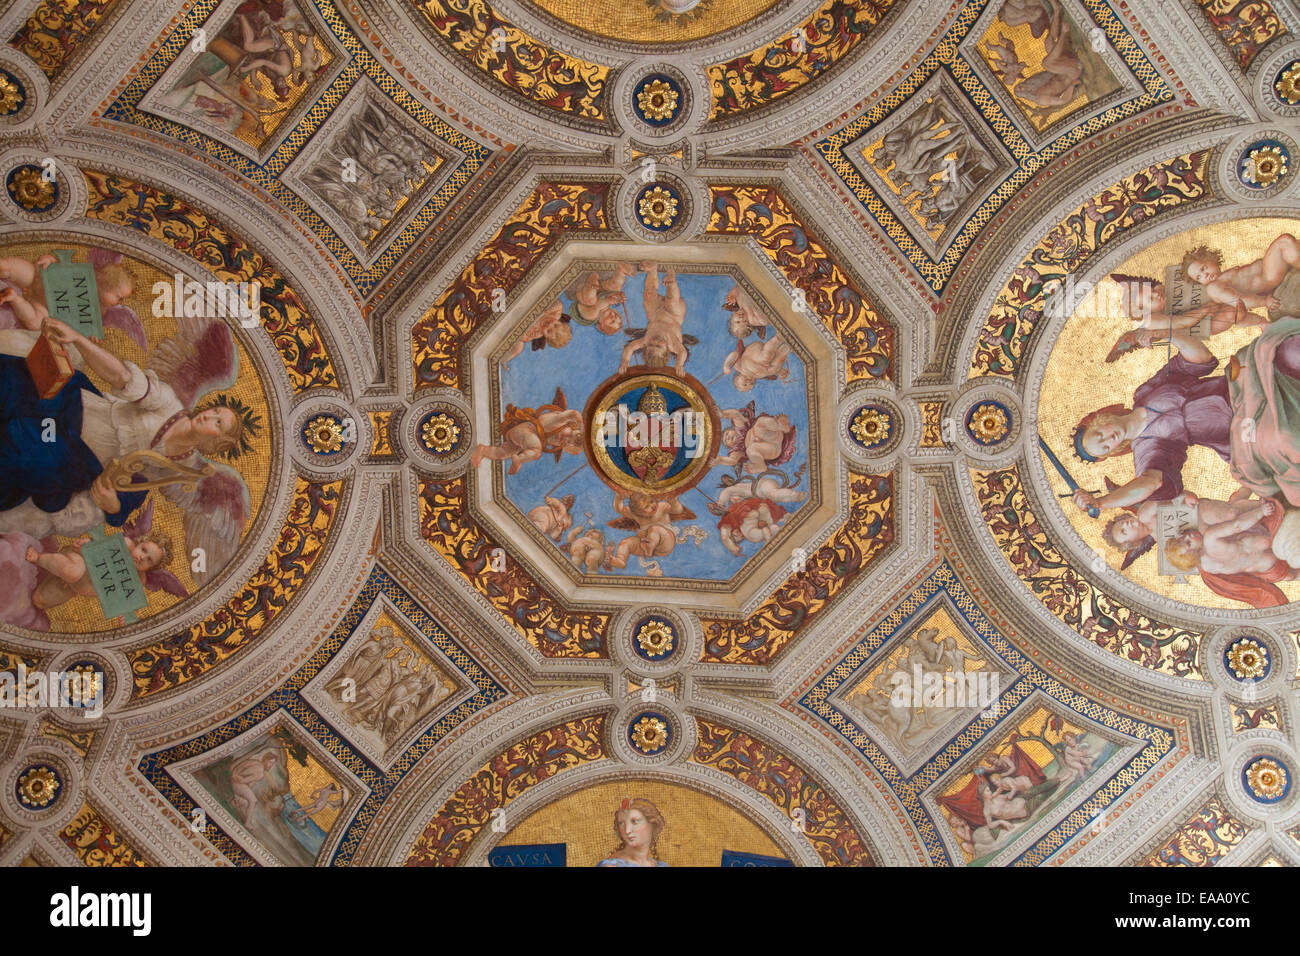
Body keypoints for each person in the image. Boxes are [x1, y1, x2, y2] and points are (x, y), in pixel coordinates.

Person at [0, 319, 246, 539]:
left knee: (31, 455)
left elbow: (133, 492)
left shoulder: (183, 467)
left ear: (215, 444)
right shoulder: (169, 405)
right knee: (17, 384)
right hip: (73, 405)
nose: (208, 416)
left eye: (218, 423)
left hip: (76, 456)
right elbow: (123, 377)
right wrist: (78, 339)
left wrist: (112, 504)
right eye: (215, 411)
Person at [1182, 235, 1300, 312]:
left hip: (1271, 272)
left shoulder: (1224, 277)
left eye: (1203, 269)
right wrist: (1264, 301)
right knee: (1284, 242)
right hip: (1269, 277)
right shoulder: (1214, 288)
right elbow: (1239, 301)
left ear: (1210, 260)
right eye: (1199, 277)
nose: (1205, 275)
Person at [597, 798, 668, 867]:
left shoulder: (661, 865)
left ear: (652, 824)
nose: (627, 831)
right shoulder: (611, 865)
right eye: (621, 823)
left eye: (635, 822)